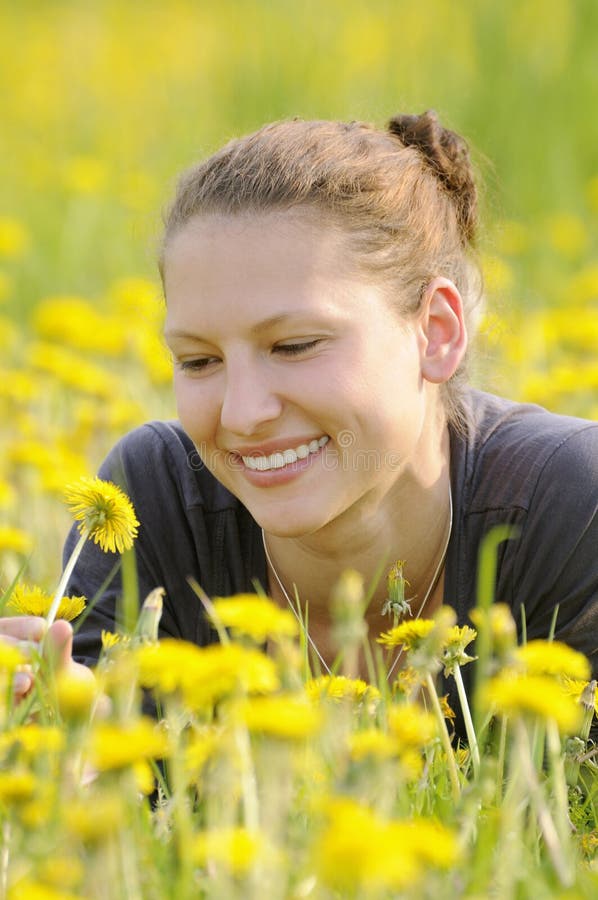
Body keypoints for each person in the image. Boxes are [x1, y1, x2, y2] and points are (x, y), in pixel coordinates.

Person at [3, 112, 598, 734]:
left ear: (437, 333)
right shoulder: (155, 503)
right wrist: (71, 736)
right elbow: (113, 788)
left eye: (294, 346)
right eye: (199, 360)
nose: (242, 414)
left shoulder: (570, 508)